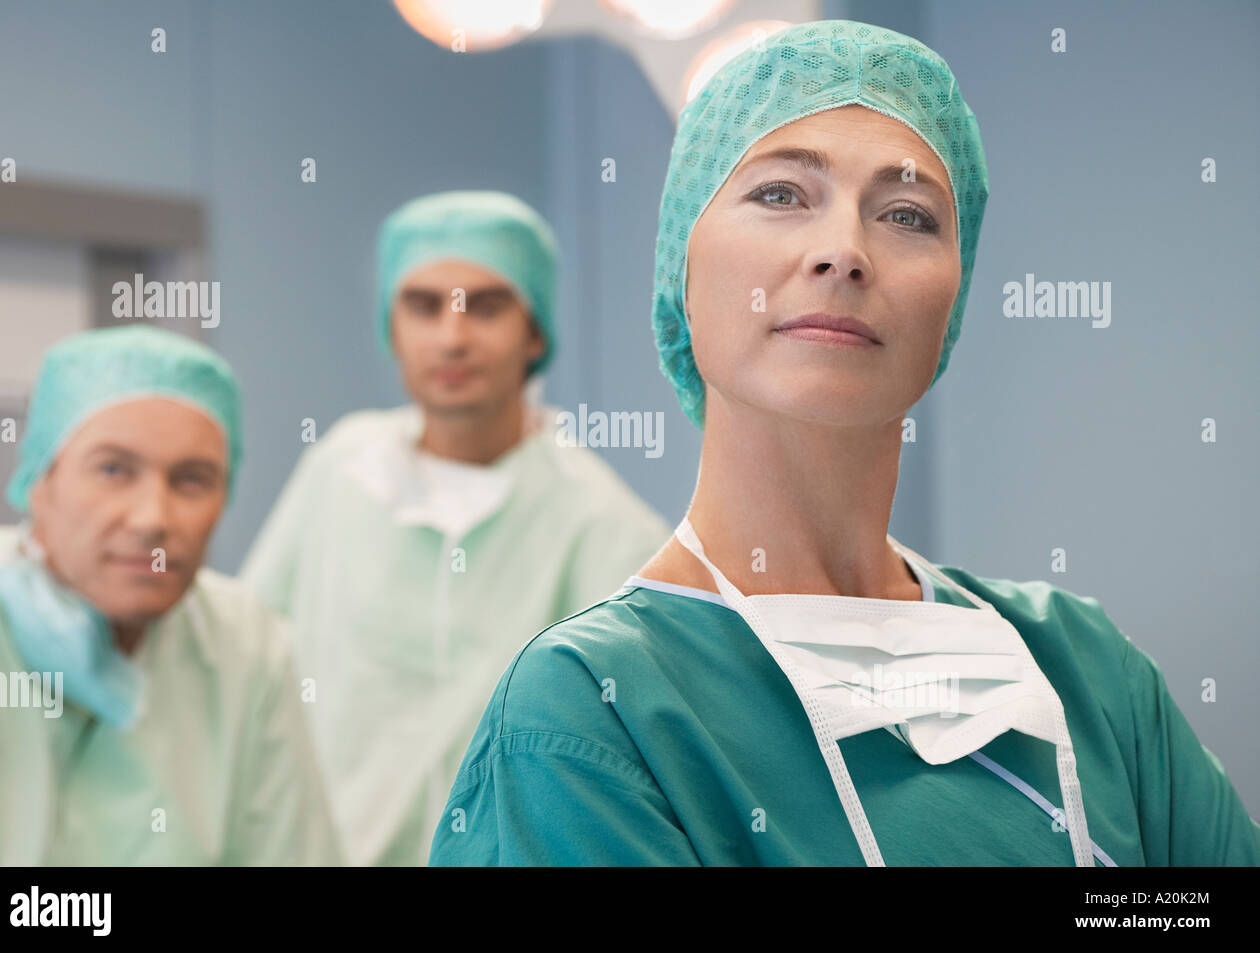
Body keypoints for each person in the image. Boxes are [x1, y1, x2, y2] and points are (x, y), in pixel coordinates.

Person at [428, 20, 1260, 866]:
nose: (844, 253)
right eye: (781, 194)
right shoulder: (592, 711)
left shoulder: (1087, 670)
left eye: (907, 215)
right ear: (684, 267)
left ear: (952, 304)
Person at [239, 190, 671, 866]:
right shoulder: (339, 469)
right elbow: (249, 654)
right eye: (424, 306)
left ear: (535, 334)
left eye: (487, 306)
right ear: (391, 329)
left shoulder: (602, 522)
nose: (452, 336)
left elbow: (621, 757)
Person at [0, 324, 341, 865]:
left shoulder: (247, 647)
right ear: (40, 480)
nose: (152, 519)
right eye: (113, 469)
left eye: (192, 479)